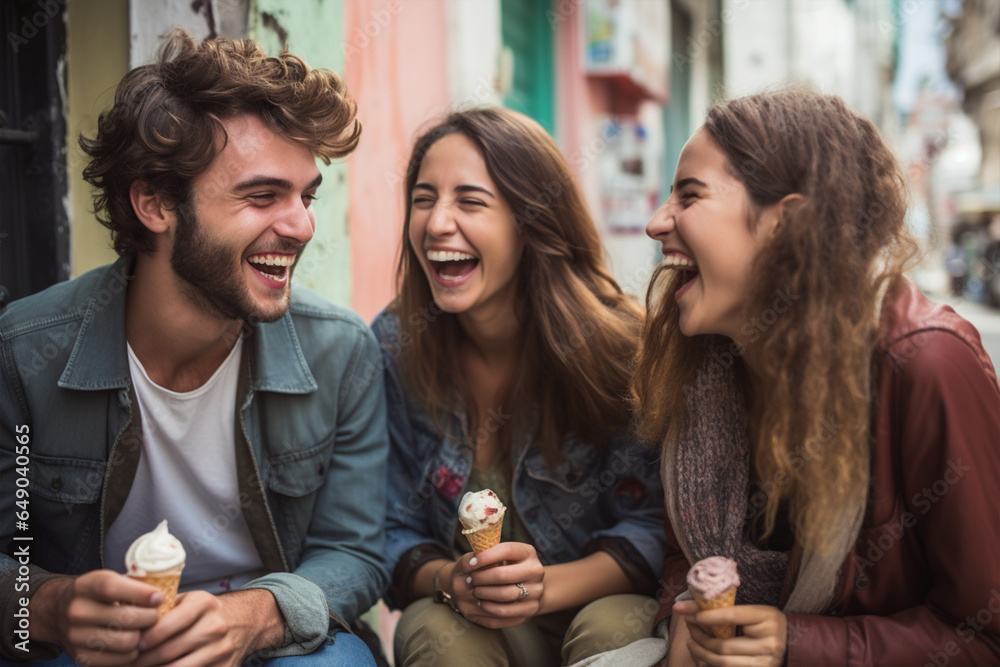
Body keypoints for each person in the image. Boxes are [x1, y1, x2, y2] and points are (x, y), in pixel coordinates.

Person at [0, 29, 388, 666]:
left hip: (272, 646)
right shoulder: (25, 354)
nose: (301, 225)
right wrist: (51, 606)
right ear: (155, 202)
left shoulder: (341, 351)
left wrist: (257, 616)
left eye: (306, 195)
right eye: (263, 195)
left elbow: (356, 555)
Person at [632, 89, 1000, 666]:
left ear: (786, 223)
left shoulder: (928, 361)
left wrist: (796, 645)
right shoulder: (705, 355)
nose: (657, 224)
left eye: (689, 196)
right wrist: (683, 619)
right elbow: (687, 551)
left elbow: (984, 635)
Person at [370, 107, 665, 666]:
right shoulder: (395, 346)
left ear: (530, 221)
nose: (436, 223)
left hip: (595, 607)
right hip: (478, 625)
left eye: (471, 201)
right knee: (430, 626)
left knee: (612, 629)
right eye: (424, 198)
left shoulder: (620, 349)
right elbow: (387, 530)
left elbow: (657, 522)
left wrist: (544, 587)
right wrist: (447, 579)